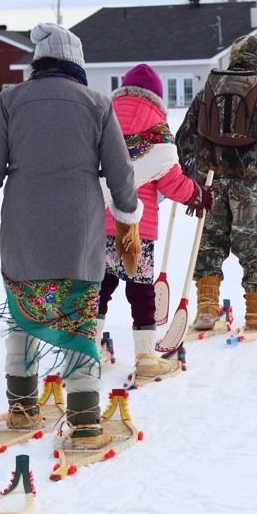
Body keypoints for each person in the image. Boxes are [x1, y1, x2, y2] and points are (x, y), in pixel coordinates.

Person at [0, 23, 141, 451]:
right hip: (78, 233)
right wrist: (127, 215)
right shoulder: (98, 104)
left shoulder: (10, 101)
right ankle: (84, 421)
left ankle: (23, 407)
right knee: (79, 318)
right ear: (76, 64)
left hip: (23, 230)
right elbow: (121, 174)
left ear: (38, 64)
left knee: (23, 314)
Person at [176, 34, 257, 332]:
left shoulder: (211, 85)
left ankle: (207, 309)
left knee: (209, 244)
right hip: (250, 182)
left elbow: (185, 135)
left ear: (234, 56)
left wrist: (190, 170)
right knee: (252, 244)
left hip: (209, 182)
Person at [98, 64, 213, 380]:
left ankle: (89, 354)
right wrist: (197, 194)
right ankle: (146, 357)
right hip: (137, 228)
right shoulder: (157, 130)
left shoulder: (102, 120)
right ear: (157, 98)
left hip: (97, 224)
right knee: (140, 292)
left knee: (98, 289)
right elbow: (170, 180)